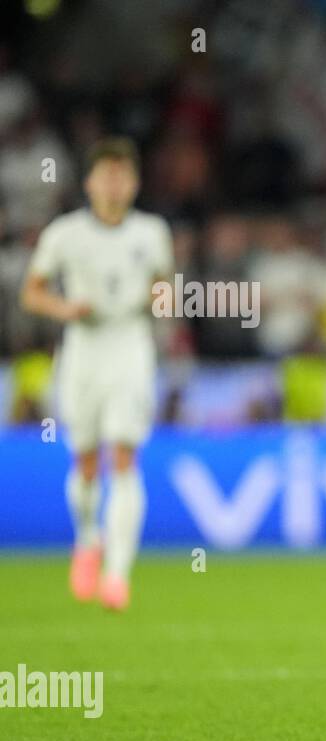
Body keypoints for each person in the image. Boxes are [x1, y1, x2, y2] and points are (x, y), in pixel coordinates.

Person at [21, 137, 174, 611]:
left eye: (122, 175)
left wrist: (157, 301)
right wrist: (66, 308)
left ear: (133, 182)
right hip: (83, 350)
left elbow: (164, 289)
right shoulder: (65, 234)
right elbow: (32, 292)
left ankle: (118, 575)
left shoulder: (151, 232)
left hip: (129, 345)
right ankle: (88, 538)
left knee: (124, 458)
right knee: (86, 463)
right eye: (105, 174)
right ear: (89, 182)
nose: (113, 184)